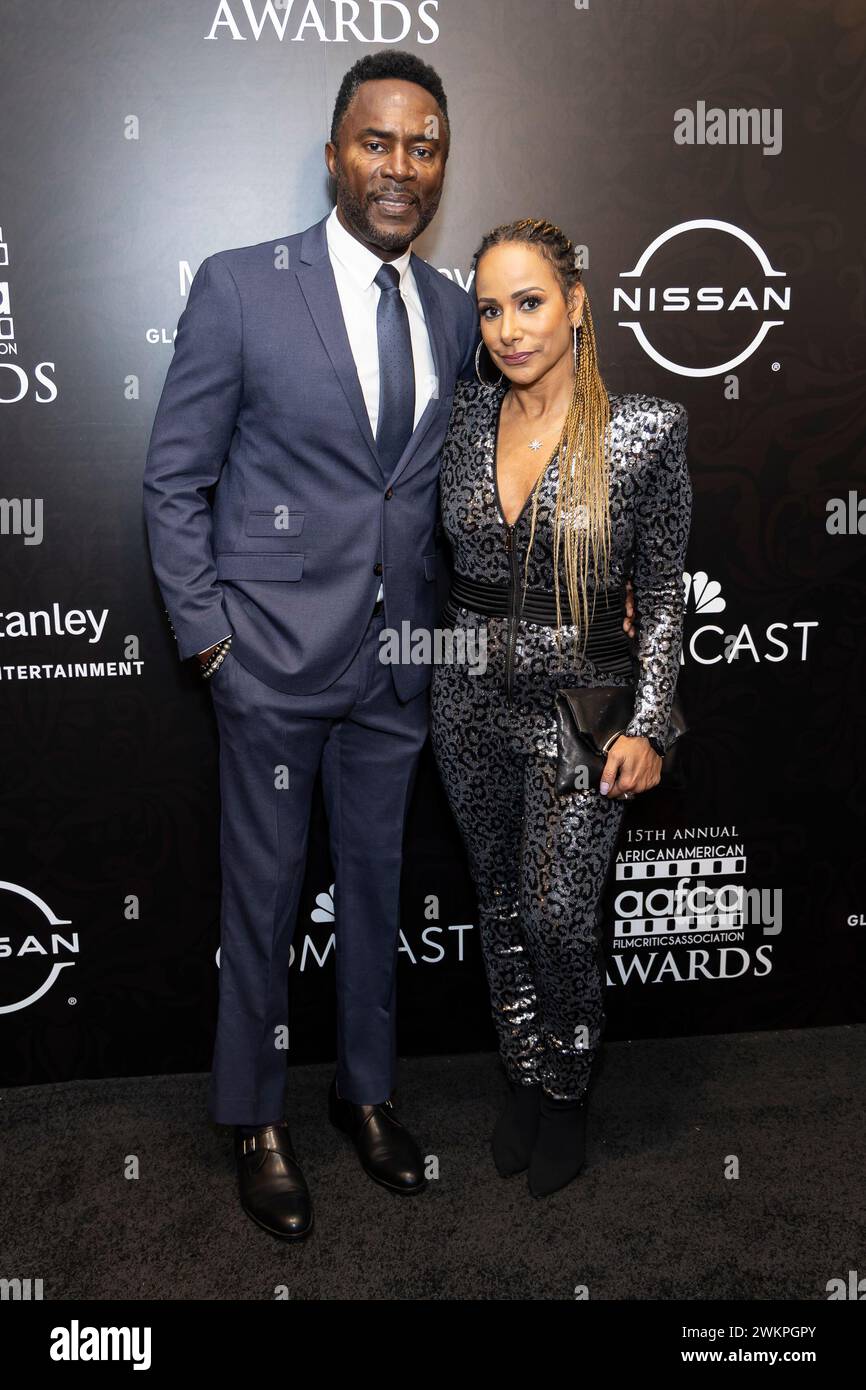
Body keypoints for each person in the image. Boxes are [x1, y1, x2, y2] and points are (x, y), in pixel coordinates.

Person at [142, 50, 483, 1242]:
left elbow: (438, 493)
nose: (401, 167)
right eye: (378, 142)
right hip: (271, 666)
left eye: (423, 145)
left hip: (399, 668)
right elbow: (175, 480)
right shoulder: (243, 287)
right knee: (265, 899)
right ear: (336, 152)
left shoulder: (452, 309)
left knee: (381, 890)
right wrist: (211, 647)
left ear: (442, 162)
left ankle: (366, 1093)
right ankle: (256, 1117)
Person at [429, 218, 692, 1198]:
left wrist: (651, 720)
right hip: (462, 697)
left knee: (555, 913)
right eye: (489, 308)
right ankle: (524, 1075)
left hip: (579, 705)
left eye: (528, 301)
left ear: (575, 303)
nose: (507, 327)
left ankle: (570, 1081)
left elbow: (661, 595)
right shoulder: (456, 419)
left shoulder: (644, 432)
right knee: (497, 903)